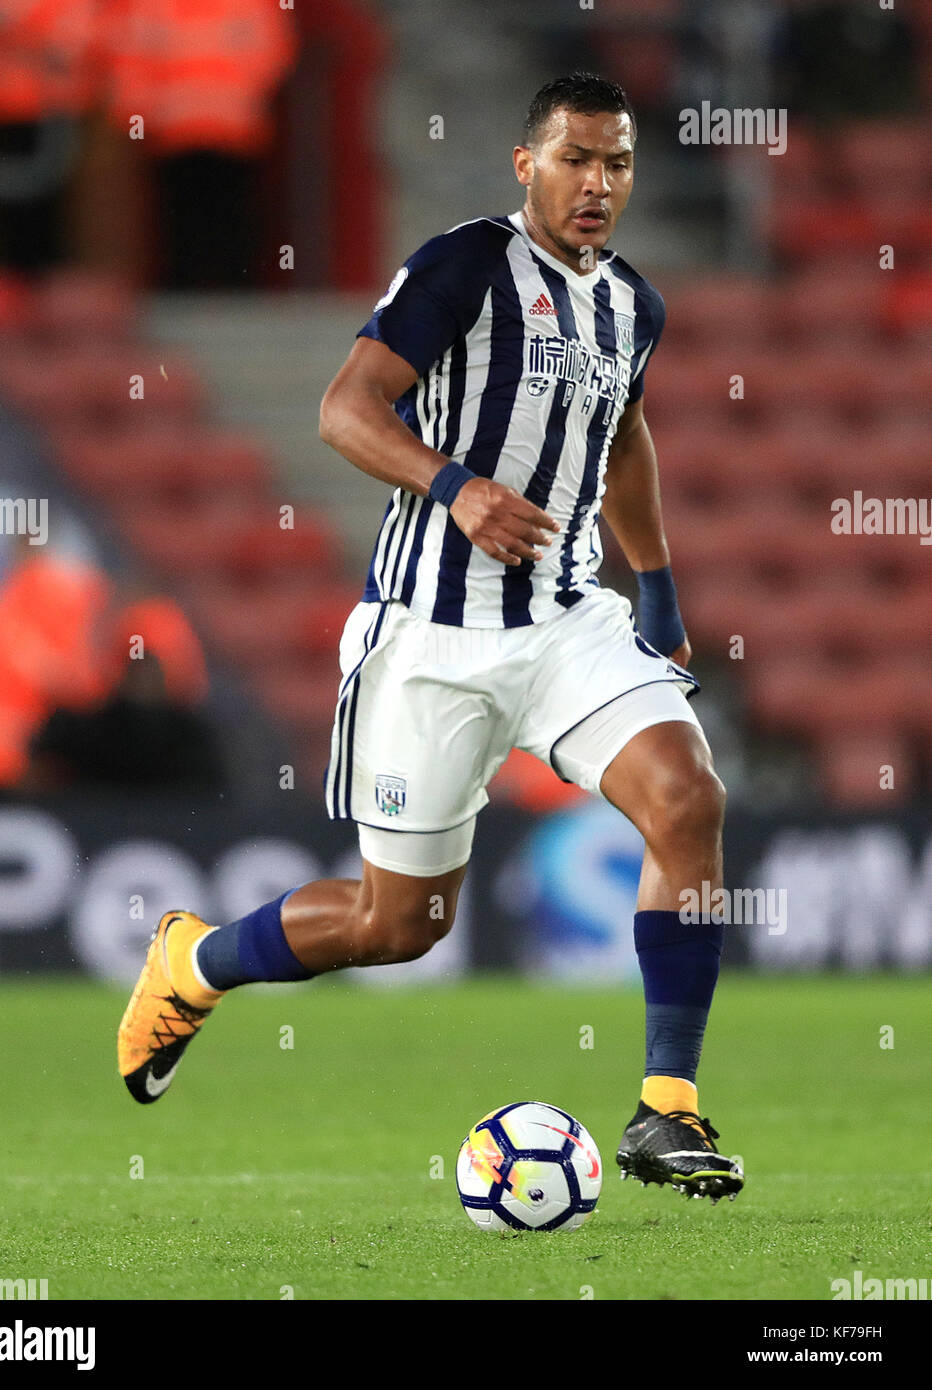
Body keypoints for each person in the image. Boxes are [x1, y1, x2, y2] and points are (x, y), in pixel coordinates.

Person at [117, 73, 743, 1204]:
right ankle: (193, 962)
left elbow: (626, 433)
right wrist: (453, 485)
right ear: (524, 163)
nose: (596, 184)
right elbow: (345, 407)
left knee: (688, 796)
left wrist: (654, 584)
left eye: (616, 164)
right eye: (574, 161)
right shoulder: (464, 264)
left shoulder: (631, 305)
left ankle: (665, 1107)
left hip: (563, 619)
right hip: (433, 635)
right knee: (397, 924)